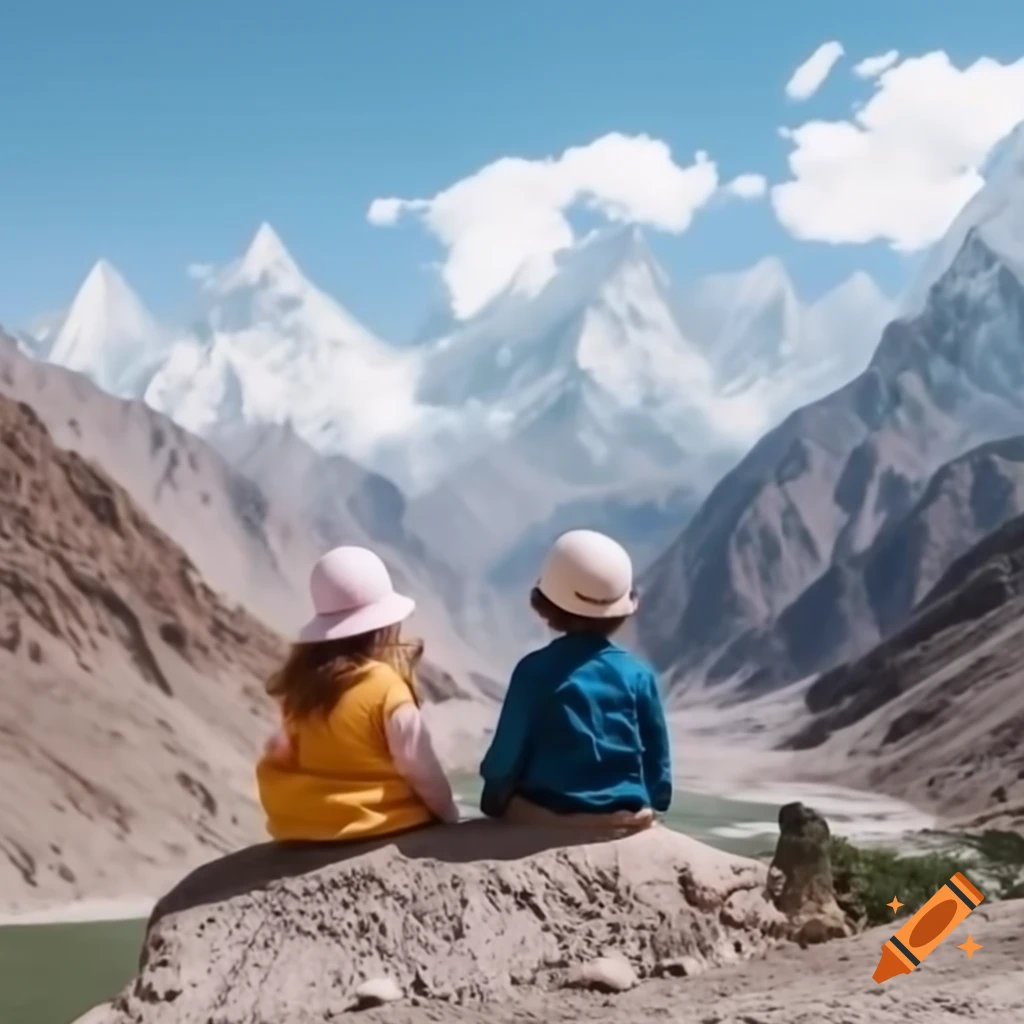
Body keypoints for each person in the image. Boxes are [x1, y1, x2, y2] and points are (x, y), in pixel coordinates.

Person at [256, 545, 459, 841]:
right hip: (380, 821)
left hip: (308, 824)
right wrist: (449, 814)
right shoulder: (386, 688)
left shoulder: (302, 688)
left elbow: (282, 751)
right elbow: (419, 765)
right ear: (384, 627)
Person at [479, 529, 672, 828]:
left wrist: (492, 798)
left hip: (545, 815)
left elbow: (503, 759)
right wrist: (657, 800)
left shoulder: (532, 671)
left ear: (547, 603)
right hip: (623, 817)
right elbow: (658, 767)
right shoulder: (640, 675)